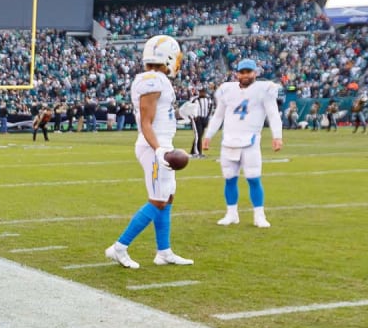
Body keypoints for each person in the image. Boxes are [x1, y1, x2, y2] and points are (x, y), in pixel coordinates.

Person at [104, 35, 193, 269]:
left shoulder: (158, 79)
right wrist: (160, 150)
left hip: (162, 144)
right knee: (157, 200)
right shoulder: (152, 80)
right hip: (154, 147)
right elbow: (146, 122)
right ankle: (119, 247)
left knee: (168, 196)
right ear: (169, 57)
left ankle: (163, 252)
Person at [202, 58, 283, 228]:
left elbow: (273, 114)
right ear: (237, 73)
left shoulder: (264, 89)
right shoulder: (227, 90)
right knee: (229, 179)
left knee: (253, 178)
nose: (245, 75)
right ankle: (231, 214)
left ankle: (259, 215)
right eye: (242, 72)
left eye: (249, 72)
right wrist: (208, 135)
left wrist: (277, 136)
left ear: (255, 73)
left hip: (250, 140)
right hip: (229, 140)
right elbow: (218, 115)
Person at [189, 88, 212, 157]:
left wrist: (208, 117)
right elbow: (189, 108)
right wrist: (192, 116)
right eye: (201, 92)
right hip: (197, 119)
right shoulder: (194, 99)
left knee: (199, 136)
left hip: (204, 118)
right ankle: (198, 152)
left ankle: (193, 152)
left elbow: (210, 108)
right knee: (198, 135)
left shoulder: (208, 99)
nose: (202, 93)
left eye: (203, 92)